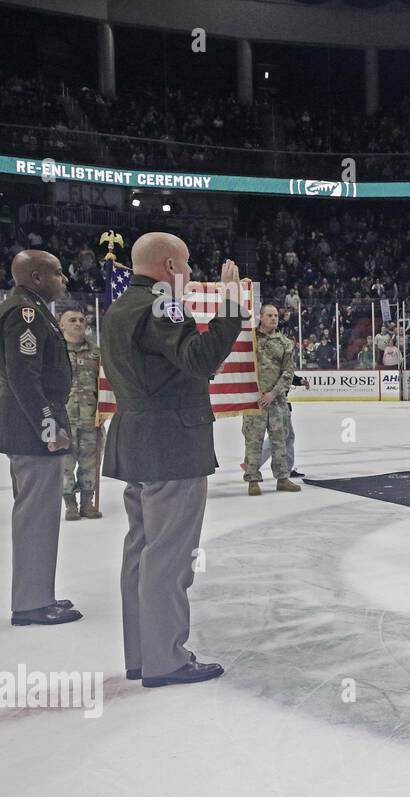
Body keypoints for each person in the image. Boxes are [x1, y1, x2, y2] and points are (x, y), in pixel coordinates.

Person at [100, 233, 245, 687]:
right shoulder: (162, 303)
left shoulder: (120, 307)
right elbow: (199, 358)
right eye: (184, 263)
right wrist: (230, 307)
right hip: (171, 445)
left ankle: (144, 654)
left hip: (137, 440)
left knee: (142, 552)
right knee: (169, 556)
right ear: (168, 264)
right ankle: (166, 660)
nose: (188, 271)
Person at [0, 250, 80, 626]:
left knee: (41, 516)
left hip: (32, 427)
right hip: (33, 430)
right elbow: (23, 377)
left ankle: (37, 596)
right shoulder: (24, 312)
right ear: (36, 277)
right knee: (36, 517)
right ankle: (31, 604)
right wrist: (49, 428)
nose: (64, 279)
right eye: (58, 273)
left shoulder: (32, 308)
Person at [242, 303, 300, 496]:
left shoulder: (284, 343)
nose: (274, 318)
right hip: (254, 401)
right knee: (253, 441)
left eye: (276, 315)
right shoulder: (248, 339)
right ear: (261, 316)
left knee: (279, 441)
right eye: (269, 315)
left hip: (276, 402)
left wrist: (273, 393)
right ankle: (252, 480)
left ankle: (282, 478)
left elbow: (288, 372)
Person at [58, 308, 104, 520]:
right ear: (61, 324)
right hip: (64, 421)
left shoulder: (97, 354)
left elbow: (105, 385)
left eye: (81, 320)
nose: (78, 323)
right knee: (65, 465)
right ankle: (70, 505)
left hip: (90, 420)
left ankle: (87, 502)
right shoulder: (55, 353)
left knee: (90, 463)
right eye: (72, 320)